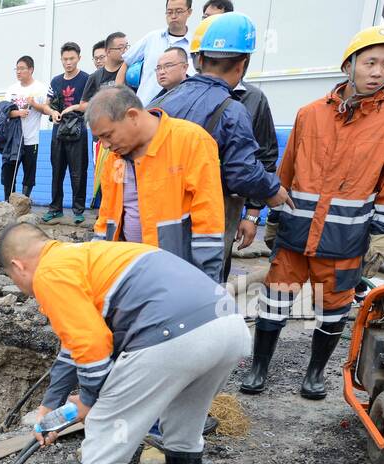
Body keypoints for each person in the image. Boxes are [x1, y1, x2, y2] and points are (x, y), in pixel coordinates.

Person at [0, 223, 249, 464]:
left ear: (19, 266)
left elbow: (91, 345)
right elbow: (73, 347)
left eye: (13, 280)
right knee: (184, 426)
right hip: (228, 326)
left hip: (171, 335)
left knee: (104, 427)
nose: (19, 288)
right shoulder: (87, 257)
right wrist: (50, 405)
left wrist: (88, 400)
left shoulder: (48, 273)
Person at [247, 26, 384, 400]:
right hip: (295, 234)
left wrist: (382, 233)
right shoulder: (310, 114)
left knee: (333, 309)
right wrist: (273, 218)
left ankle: (315, 375)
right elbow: (286, 171)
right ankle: (259, 369)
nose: (378, 71)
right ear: (349, 65)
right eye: (370, 62)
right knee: (274, 302)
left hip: (344, 241)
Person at [156, 12, 291, 280]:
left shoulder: (163, 102)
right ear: (242, 64)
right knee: (204, 281)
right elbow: (241, 172)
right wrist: (272, 190)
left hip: (162, 209)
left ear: (198, 59)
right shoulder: (233, 110)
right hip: (210, 212)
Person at [87, 86, 227, 283]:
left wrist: (206, 280)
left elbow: (208, 216)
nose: (105, 145)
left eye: (108, 135)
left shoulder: (190, 141)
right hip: (128, 269)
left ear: (133, 116)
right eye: (100, 138)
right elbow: (107, 215)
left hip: (177, 271)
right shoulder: (115, 158)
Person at [39, 43, 90, 225]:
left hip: (78, 130)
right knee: (57, 170)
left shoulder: (86, 79)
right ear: (61, 59)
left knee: (78, 172)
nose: (68, 62)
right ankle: (55, 209)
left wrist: (74, 108)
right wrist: (52, 112)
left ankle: (78, 210)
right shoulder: (56, 81)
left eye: (72, 59)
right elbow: (46, 104)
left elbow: (91, 104)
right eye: (65, 59)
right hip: (59, 131)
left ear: (79, 58)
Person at [77, 32, 129, 211]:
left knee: (123, 174)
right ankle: (104, 212)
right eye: (120, 47)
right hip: (102, 138)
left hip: (126, 135)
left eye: (126, 47)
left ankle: (122, 212)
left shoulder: (131, 72)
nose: (124, 51)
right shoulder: (95, 77)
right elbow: (83, 104)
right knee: (104, 173)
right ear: (109, 51)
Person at [119, 0, 195, 107]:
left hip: (180, 109)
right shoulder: (152, 38)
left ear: (189, 12)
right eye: (169, 12)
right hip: (146, 107)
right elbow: (126, 62)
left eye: (179, 11)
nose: (173, 16)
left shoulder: (195, 44)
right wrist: (118, 95)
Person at [2, 56, 44, 200]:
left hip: (31, 139)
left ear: (31, 70)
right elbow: (4, 111)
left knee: (29, 172)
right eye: (17, 69)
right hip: (13, 139)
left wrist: (34, 104)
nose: (18, 72)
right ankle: (8, 200)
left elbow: (46, 108)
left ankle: (24, 200)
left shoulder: (40, 88)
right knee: (9, 171)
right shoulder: (12, 89)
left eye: (22, 68)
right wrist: (18, 113)